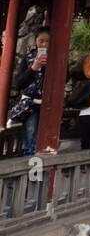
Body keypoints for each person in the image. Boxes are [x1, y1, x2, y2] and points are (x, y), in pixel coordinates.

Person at [10, 27, 50, 156]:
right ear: (36, 41)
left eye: (47, 41)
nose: (44, 44)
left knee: (45, 143)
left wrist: (50, 66)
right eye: (41, 41)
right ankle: (30, 172)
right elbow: (19, 83)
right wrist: (34, 67)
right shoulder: (28, 58)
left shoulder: (57, 58)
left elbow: (64, 79)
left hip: (48, 104)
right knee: (30, 138)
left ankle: (41, 173)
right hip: (30, 104)